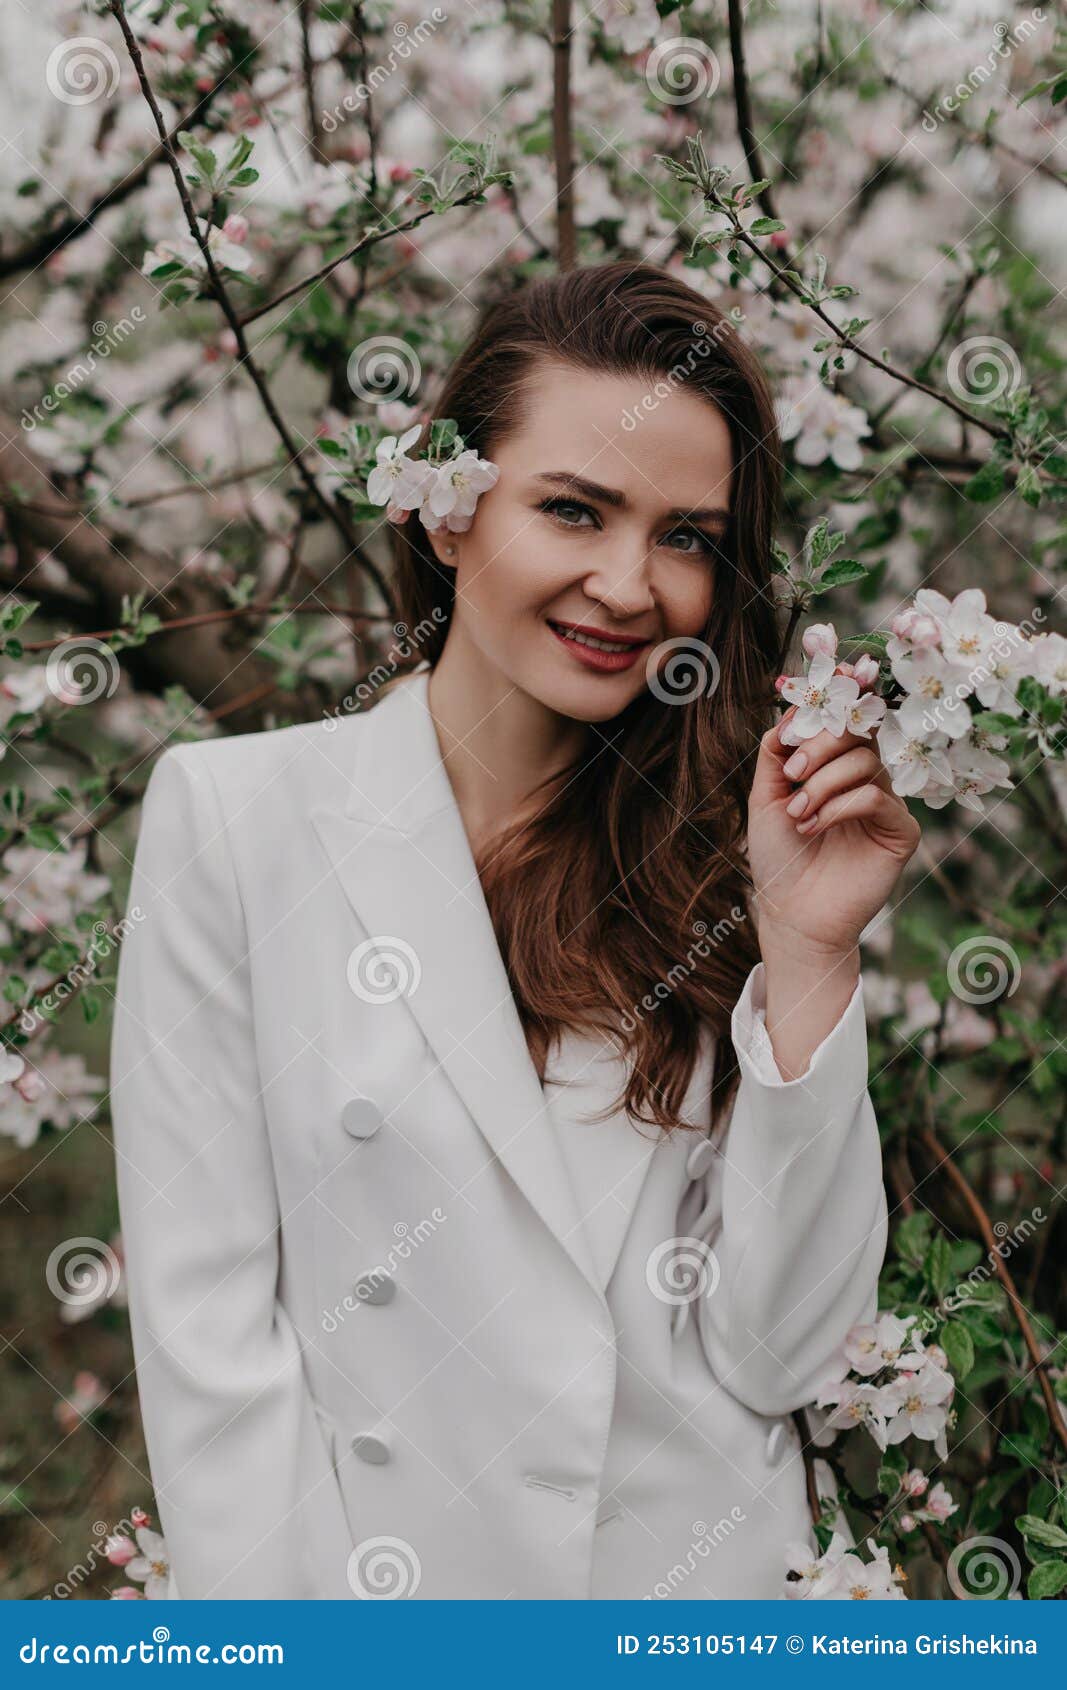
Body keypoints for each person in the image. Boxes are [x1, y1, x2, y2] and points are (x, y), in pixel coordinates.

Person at [109, 260, 917, 1601]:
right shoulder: (238, 819)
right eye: (574, 509)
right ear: (446, 512)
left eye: (686, 537)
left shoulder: (741, 849)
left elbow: (786, 1355)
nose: (625, 582)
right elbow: (209, 1348)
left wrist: (811, 953)